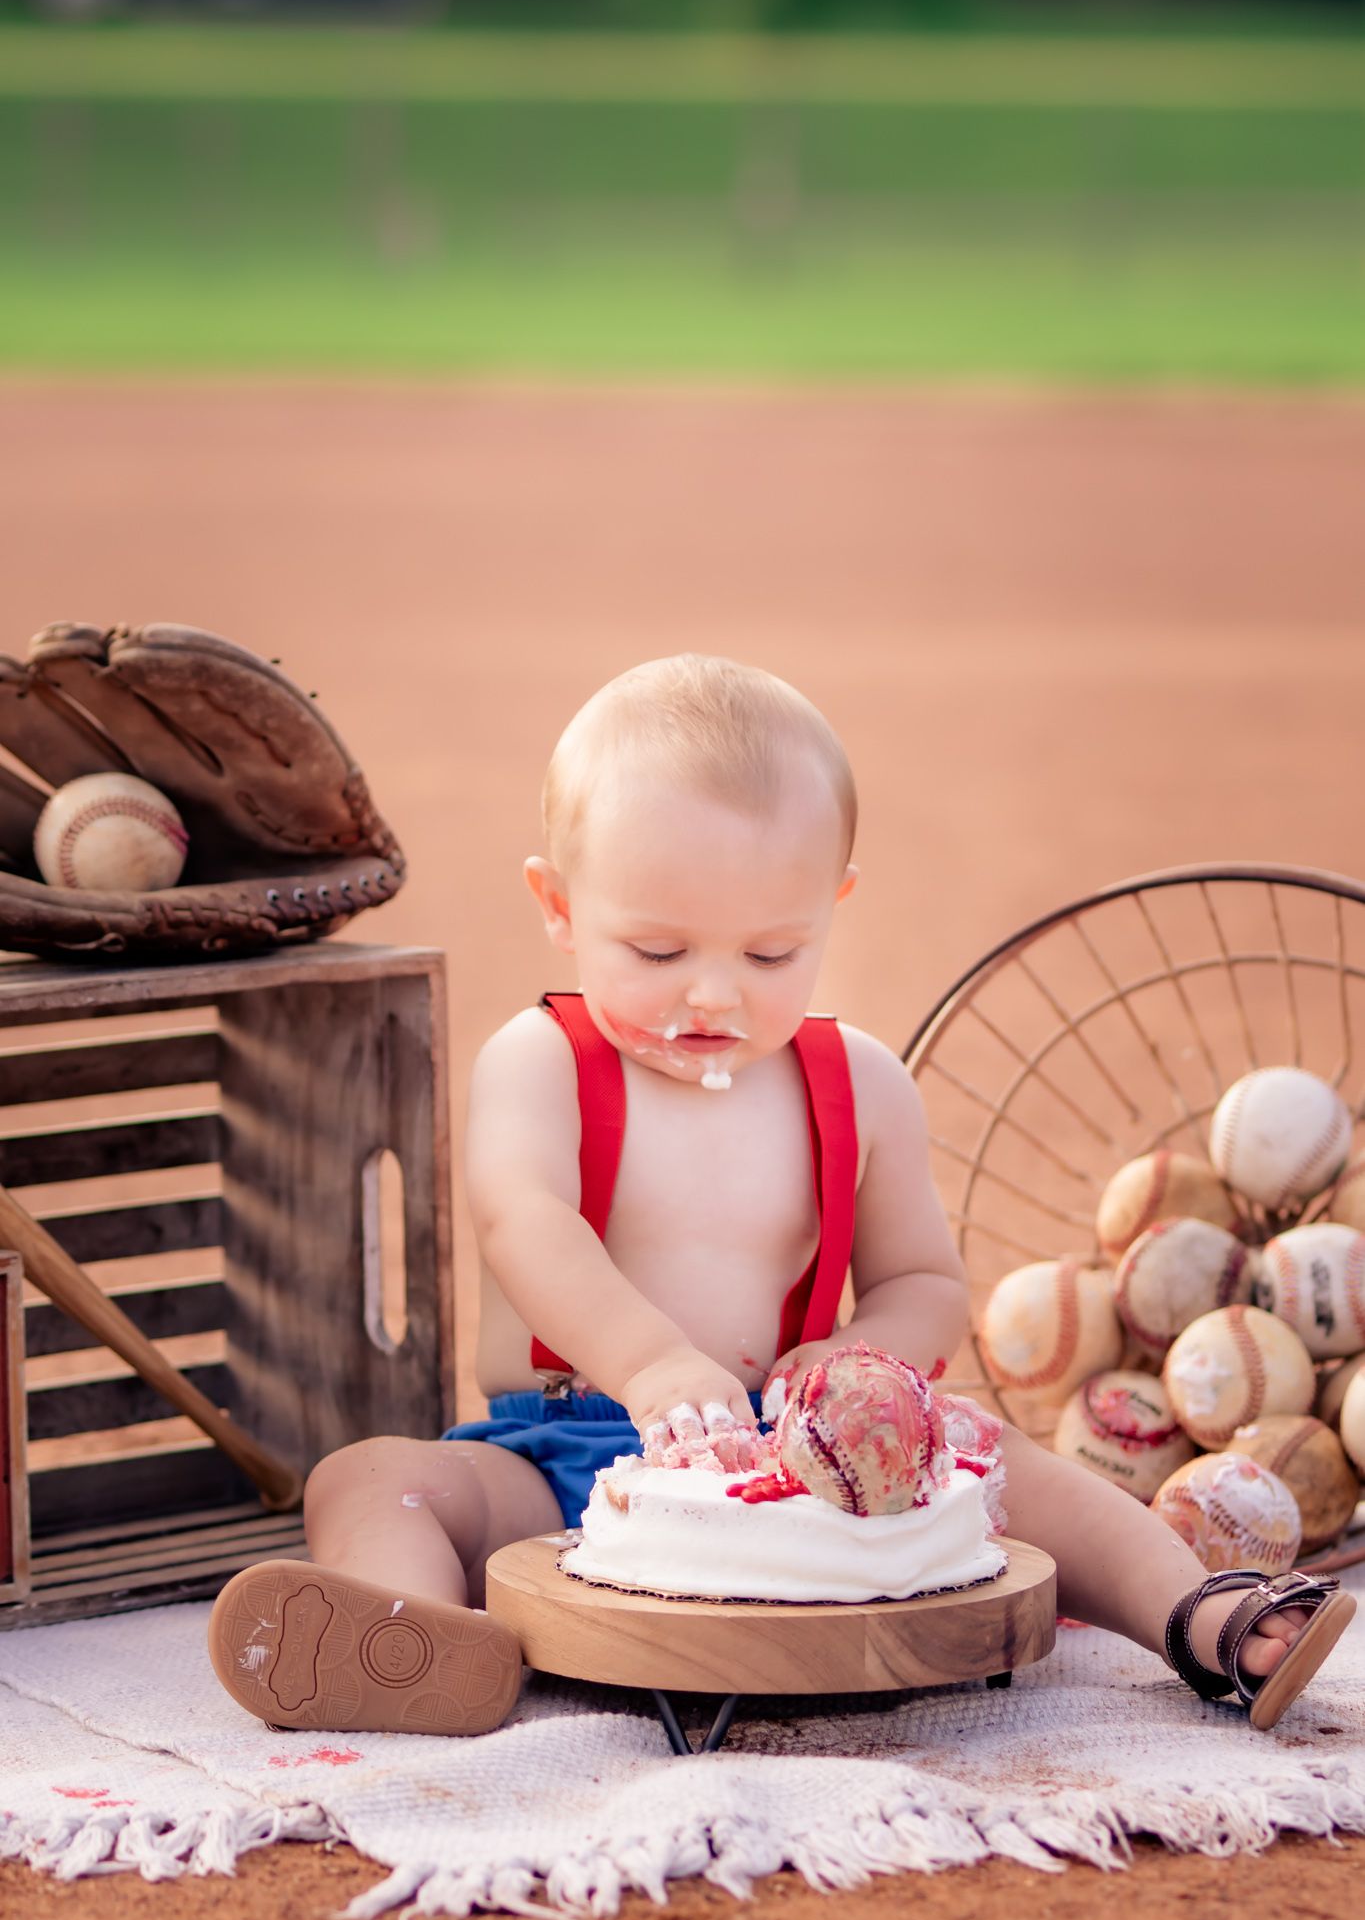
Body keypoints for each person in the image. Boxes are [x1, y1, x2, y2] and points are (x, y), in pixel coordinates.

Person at [208, 656, 1353, 1737]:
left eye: (770, 954)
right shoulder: (542, 1058)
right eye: (655, 949)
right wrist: (653, 1368)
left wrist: (863, 1355)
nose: (710, 991)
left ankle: (1203, 1616)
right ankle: (432, 1647)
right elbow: (526, 1221)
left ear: (833, 902)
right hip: (570, 1455)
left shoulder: (858, 1080)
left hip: (808, 1468)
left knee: (1012, 1462)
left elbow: (924, 1283)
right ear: (557, 903)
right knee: (377, 1478)